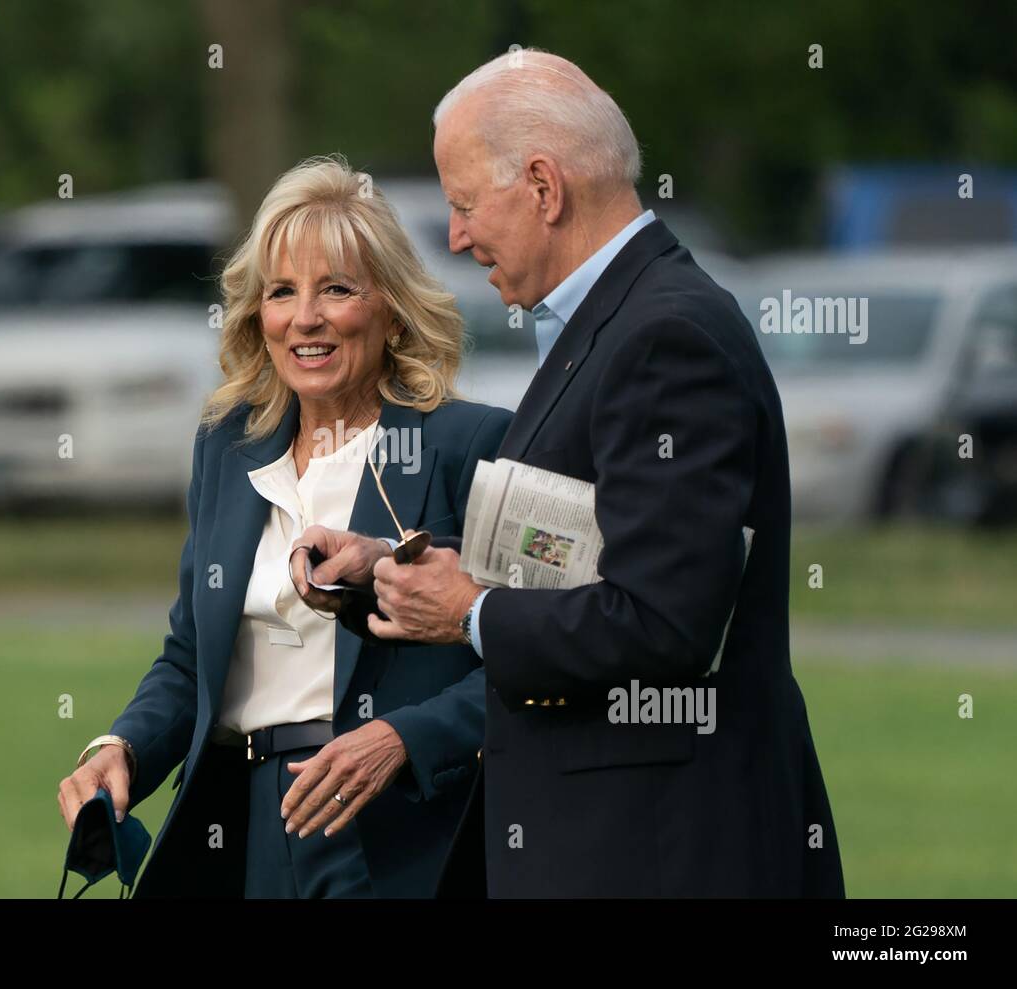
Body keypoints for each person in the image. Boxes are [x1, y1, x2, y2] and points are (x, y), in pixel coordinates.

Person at [293, 52, 845, 897]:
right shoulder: (618, 319)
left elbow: (663, 621)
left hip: (658, 850)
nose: (455, 236)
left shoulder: (666, 336)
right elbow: (576, 551)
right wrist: (385, 571)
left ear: (544, 188)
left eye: (465, 204)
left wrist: (471, 613)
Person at [57, 155, 511, 898]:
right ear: (256, 313)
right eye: (282, 292)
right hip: (242, 830)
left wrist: (403, 739)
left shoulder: (468, 445)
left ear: (392, 308)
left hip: (402, 835)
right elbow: (189, 659)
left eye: (337, 288)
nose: (306, 317)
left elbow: (531, 650)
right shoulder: (227, 447)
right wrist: (122, 750)